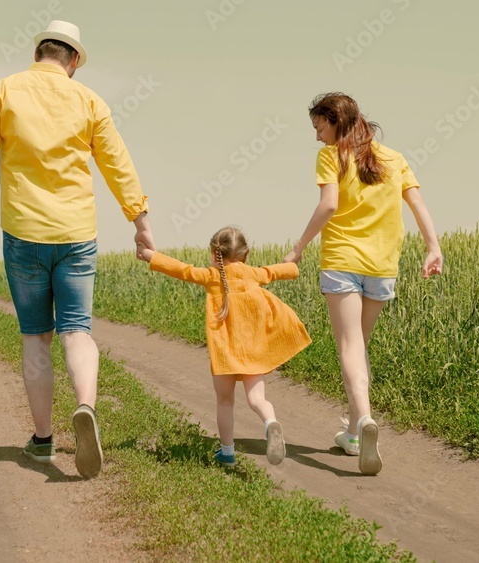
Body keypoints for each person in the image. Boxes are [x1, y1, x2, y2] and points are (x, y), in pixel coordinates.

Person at [0, 20, 155, 479]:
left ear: (39, 52)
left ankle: (42, 442)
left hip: (23, 235)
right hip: (76, 235)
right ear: (72, 60)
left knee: (36, 337)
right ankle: (86, 406)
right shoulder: (89, 100)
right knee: (77, 330)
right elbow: (118, 164)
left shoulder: (1, 92)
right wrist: (139, 221)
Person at [285, 92, 443, 476]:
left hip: (342, 261)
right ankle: (355, 432)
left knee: (349, 346)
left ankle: (366, 419)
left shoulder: (331, 157)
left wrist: (298, 249)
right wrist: (433, 247)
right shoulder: (394, 158)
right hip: (383, 265)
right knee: (361, 345)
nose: (318, 135)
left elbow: (328, 206)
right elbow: (418, 204)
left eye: (319, 125)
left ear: (335, 120)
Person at [139, 227, 311, 467]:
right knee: (256, 399)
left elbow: (181, 270)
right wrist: (293, 263)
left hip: (225, 354)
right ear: (245, 253)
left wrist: (149, 255)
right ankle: (271, 423)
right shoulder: (254, 273)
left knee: (225, 402)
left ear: (213, 253)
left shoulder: (210, 276)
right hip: (254, 352)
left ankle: (227, 453)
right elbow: (279, 271)